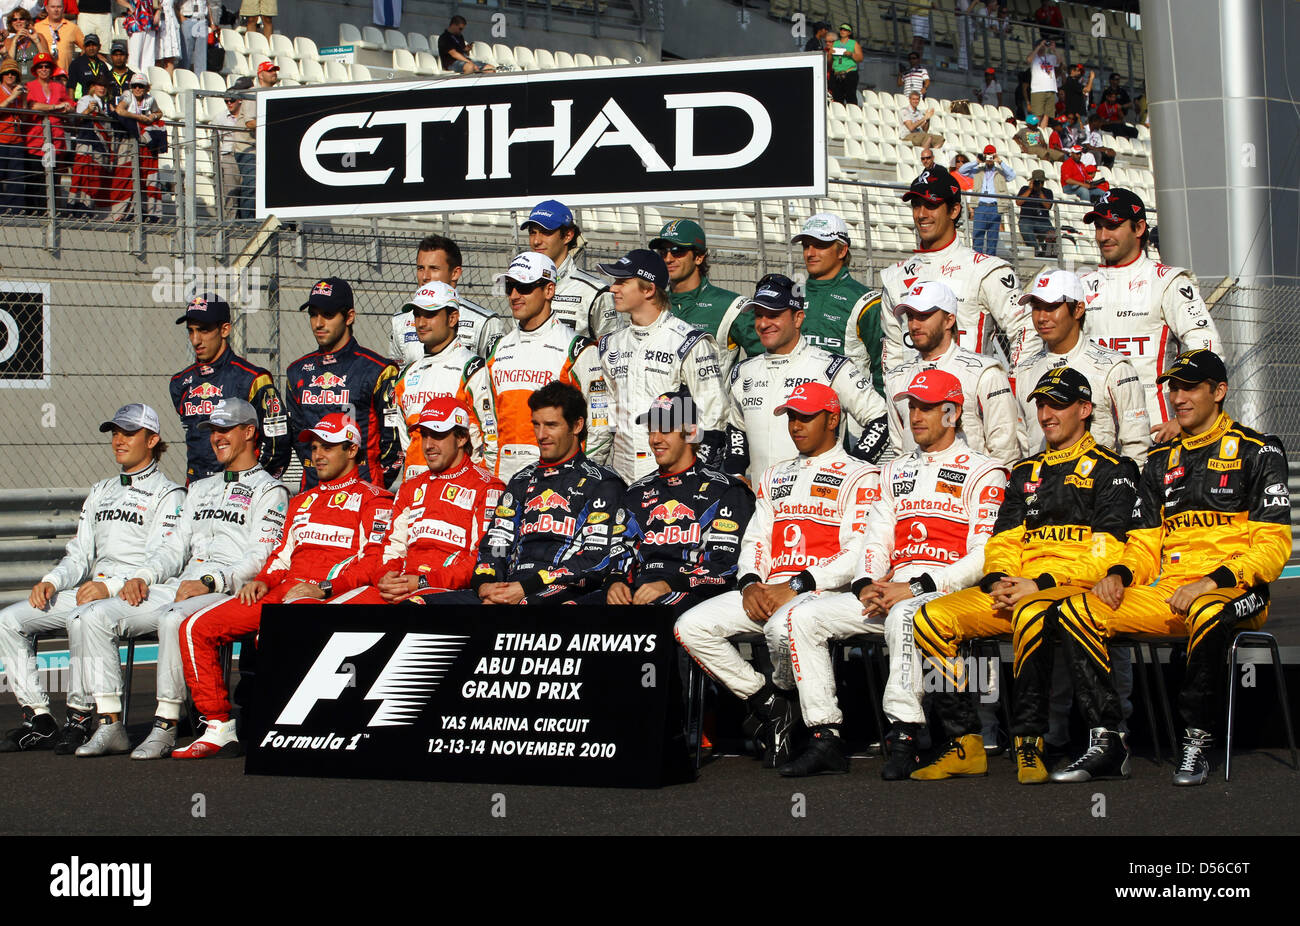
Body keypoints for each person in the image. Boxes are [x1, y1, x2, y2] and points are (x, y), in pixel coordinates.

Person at [1051, 350, 1291, 785]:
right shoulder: (1160, 462)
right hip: (1173, 589)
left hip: (1239, 589)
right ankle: (1108, 740)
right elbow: (1143, 544)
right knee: (1078, 610)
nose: (1177, 397)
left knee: (1209, 611)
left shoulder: (1259, 449)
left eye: (1189, 387)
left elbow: (1273, 546)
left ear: (1219, 392)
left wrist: (1211, 581)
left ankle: (1196, 739)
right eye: (1173, 388)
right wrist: (1119, 576)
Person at [906, 364, 1137, 782]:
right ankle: (965, 741)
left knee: (1032, 615)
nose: (1047, 414)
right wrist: (998, 580)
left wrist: (1039, 584)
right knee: (930, 618)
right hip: (1017, 586)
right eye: (1042, 404)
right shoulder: (1025, 471)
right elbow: (1002, 541)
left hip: (1066, 590)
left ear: (1085, 409)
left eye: (1059, 405)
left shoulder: (1114, 469)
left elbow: (1108, 554)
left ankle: (1029, 741)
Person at [777, 369, 1007, 777]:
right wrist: (866, 582)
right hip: (892, 586)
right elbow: (876, 539)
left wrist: (917, 585)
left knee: (905, 614)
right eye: (912, 407)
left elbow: (983, 556)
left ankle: (905, 734)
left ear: (953, 414)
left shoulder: (985, 471)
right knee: (803, 615)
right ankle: (824, 734)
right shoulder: (894, 469)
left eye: (928, 408)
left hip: (948, 591)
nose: (915, 416)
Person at [674, 382, 879, 769]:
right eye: (791, 417)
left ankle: (818, 728)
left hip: (822, 591)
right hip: (769, 588)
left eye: (806, 416)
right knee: (690, 625)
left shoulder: (862, 476)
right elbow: (755, 540)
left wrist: (797, 584)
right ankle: (768, 700)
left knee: (783, 626)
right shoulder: (773, 475)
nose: (796, 426)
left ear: (833, 418)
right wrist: (750, 582)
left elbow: (858, 554)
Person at [72, 398, 289, 757]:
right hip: (182, 585)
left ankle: (166, 723)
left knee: (174, 618)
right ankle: (109, 725)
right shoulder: (200, 488)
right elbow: (172, 548)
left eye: (225, 430)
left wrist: (210, 582)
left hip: (228, 590)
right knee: (95, 616)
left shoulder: (271, 491)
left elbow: (260, 557)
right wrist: (143, 576)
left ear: (249, 432)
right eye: (213, 431)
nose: (216, 438)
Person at [173, 413, 393, 758]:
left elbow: (374, 561)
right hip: (284, 591)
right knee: (195, 628)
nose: (317, 455)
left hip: (329, 595)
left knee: (291, 620)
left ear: (352, 450)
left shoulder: (375, 500)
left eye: (329, 447)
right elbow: (281, 556)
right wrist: (262, 581)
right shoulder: (301, 500)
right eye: (315, 447)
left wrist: (324, 586)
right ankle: (218, 726)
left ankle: (309, 726)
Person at [0, 404, 184, 754]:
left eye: (128, 433)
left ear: (153, 440)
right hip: (93, 589)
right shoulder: (101, 489)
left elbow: (165, 558)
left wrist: (110, 587)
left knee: (84, 615)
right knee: (8, 619)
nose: (118, 440)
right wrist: (52, 581)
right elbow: (79, 554)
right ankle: (39, 718)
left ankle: (81, 716)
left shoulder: (169, 494)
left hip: (136, 592)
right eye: (115, 433)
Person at [430, 381, 625, 606]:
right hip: (508, 588)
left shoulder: (603, 483)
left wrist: (526, 587)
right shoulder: (522, 479)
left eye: (551, 425)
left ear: (577, 425)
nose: (541, 435)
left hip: (561, 589)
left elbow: (595, 560)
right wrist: (486, 584)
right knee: (417, 606)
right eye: (536, 425)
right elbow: (497, 541)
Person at [326, 397, 505, 605]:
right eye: (425, 435)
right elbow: (391, 548)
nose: (428, 445)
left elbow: (485, 560)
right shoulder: (411, 486)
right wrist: (386, 577)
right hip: (402, 587)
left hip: (447, 591)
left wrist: (422, 582)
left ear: (462, 437)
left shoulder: (488, 487)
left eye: (438, 435)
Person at [1078, 188, 1222, 444]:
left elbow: (1207, 348)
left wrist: (1186, 419)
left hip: (1156, 432)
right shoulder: (1082, 284)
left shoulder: (1168, 281)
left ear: (1139, 227)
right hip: (1096, 436)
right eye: (1099, 227)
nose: (1103, 236)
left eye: (1112, 225)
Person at [723, 273, 889, 482]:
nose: (763, 324)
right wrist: (735, 475)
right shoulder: (743, 372)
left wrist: (852, 471)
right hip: (761, 505)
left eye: (773, 315)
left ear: (798, 318)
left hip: (816, 506)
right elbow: (736, 428)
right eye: (758, 315)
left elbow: (881, 419)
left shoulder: (831, 366)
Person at [601, 387, 754, 611]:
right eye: (652, 431)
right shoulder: (635, 492)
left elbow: (725, 566)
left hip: (694, 593)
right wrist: (616, 581)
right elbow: (622, 548)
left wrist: (669, 584)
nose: (655, 439)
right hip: (639, 592)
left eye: (665, 430)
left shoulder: (725, 490)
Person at [879, 168, 1039, 373]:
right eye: (916, 205)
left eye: (931, 205)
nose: (921, 214)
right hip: (915, 400)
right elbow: (893, 352)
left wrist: (1014, 385)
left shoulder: (985, 269)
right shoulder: (894, 277)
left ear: (954, 210)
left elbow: (1025, 328)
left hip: (970, 399)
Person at [595, 248, 727, 483]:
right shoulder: (610, 345)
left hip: (672, 473)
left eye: (622, 282)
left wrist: (697, 476)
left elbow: (713, 413)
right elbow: (605, 417)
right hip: (621, 474)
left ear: (648, 289)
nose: (613, 288)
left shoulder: (688, 341)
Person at [484, 251, 612, 481]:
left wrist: (582, 477)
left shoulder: (578, 349)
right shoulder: (497, 350)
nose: (514, 295)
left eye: (523, 287)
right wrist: (491, 478)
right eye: (509, 287)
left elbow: (599, 426)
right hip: (504, 479)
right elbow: (489, 426)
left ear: (549, 290)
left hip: (560, 479)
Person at [1014, 269, 1148, 462]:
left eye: (1051, 307)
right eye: (1036, 307)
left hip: (1099, 488)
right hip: (1043, 487)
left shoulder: (1113, 367)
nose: (1041, 317)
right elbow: (1023, 443)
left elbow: (1137, 446)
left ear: (1078, 309)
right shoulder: (1025, 371)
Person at [884, 280, 1023, 465]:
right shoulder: (896, 378)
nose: (914, 325)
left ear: (949, 320)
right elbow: (900, 450)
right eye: (910, 316)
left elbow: (1005, 453)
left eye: (923, 316)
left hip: (970, 489)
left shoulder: (984, 373)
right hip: (915, 488)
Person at [284, 277, 402, 490]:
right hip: (313, 489)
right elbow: (298, 438)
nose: (318, 323)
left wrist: (372, 485)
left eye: (328, 315)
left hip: (362, 492)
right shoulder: (297, 371)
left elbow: (393, 441)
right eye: (313, 314)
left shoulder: (379, 370)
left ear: (349, 317)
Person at [170, 293, 290, 483]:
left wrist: (257, 483)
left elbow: (278, 443)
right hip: (196, 490)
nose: (195, 340)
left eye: (203, 330)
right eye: (191, 331)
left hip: (241, 491)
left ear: (224, 330)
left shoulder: (254, 378)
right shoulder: (180, 382)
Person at [391, 281, 497, 480]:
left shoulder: (472, 369)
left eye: (430, 315)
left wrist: (478, 484)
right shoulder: (407, 375)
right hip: (415, 489)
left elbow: (491, 439)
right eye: (417, 314)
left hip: (459, 491)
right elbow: (406, 443)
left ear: (452, 318)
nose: (421, 323)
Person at [790, 211, 886, 394]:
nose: (810, 253)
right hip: (793, 407)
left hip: (846, 413)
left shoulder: (865, 301)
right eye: (806, 246)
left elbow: (883, 369)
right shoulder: (791, 294)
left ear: (842, 250)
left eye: (819, 245)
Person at [650, 218, 754, 372]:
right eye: (663, 252)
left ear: (699, 257)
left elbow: (766, 361)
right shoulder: (651, 304)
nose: (668, 258)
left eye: (678, 251)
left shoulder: (732, 306)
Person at [391, 234, 510, 366]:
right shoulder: (400, 321)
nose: (425, 276)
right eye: (420, 268)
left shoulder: (483, 322)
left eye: (434, 268)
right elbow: (397, 375)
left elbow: (497, 373)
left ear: (455, 273)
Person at [520, 199, 621, 340]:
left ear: (568, 235)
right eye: (532, 232)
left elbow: (612, 352)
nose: (536, 241)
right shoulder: (520, 287)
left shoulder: (595, 292)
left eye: (545, 232)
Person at [108, 70, 162, 220]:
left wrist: (153, 116)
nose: (138, 89)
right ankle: (124, 211)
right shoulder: (127, 95)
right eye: (135, 86)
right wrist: (139, 117)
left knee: (145, 174)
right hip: (127, 139)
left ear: (146, 88)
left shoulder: (150, 99)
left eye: (141, 86)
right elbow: (120, 110)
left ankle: (145, 210)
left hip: (143, 142)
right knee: (126, 173)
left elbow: (159, 112)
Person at [958, 144, 1015, 256]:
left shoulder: (1000, 171)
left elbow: (1012, 176)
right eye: (987, 155)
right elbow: (962, 171)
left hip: (995, 207)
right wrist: (977, 161)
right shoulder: (978, 170)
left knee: (992, 239)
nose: (989, 158)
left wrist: (1000, 161)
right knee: (977, 237)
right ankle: (977, 261)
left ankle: (990, 263)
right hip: (981, 206)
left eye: (991, 155)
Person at [69, 72, 113, 211]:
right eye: (99, 85)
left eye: (104, 85)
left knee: (95, 176)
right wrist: (89, 110)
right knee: (80, 174)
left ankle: (87, 207)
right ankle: (73, 205)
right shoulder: (85, 99)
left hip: (100, 145)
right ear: (93, 87)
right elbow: (78, 119)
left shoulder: (108, 105)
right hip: (86, 141)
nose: (102, 88)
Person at [0, 56, 31, 214]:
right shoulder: (2, 91)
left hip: (16, 139)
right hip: (2, 139)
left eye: (13, 73)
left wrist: (23, 99)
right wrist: (12, 97)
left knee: (16, 177)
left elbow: (24, 117)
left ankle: (16, 210)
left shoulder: (18, 92)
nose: (10, 76)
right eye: (7, 73)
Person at [34, 0, 85, 72]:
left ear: (63, 8)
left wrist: (78, 64)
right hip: (44, 74)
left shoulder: (72, 27)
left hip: (65, 76)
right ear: (47, 8)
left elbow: (86, 47)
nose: (56, 10)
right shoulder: (37, 27)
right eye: (52, 7)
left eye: (59, 7)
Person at [1016, 169, 1056, 257]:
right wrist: (1030, 190)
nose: (1039, 184)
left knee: (1053, 233)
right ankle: (1036, 251)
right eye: (1037, 182)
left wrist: (1039, 192)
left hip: (1043, 221)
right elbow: (1018, 202)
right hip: (1027, 219)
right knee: (1026, 229)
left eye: (1041, 182)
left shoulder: (1047, 192)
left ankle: (1050, 253)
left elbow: (1048, 206)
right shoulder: (1025, 189)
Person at [1027, 38, 1059, 126]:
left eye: (1044, 46)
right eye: (1042, 46)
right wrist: (1039, 46)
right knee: (1037, 115)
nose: (1043, 47)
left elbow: (1060, 61)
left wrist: (1054, 50)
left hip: (1051, 88)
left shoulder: (1050, 57)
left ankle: (1042, 134)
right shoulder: (1034, 57)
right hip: (1038, 89)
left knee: (1047, 115)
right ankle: (1034, 134)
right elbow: (1029, 59)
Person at [175, 0, 212, 77]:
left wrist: (211, 22)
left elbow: (208, 4)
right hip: (188, 18)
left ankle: (200, 79)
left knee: (201, 54)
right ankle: (183, 78)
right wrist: (181, 17)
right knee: (186, 52)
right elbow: (174, 4)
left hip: (202, 19)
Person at [827, 23, 861, 104]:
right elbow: (829, 61)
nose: (842, 31)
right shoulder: (835, 43)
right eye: (841, 29)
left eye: (845, 30)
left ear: (849, 32)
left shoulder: (853, 43)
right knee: (837, 98)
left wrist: (851, 54)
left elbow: (860, 58)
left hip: (849, 72)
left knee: (850, 97)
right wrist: (830, 53)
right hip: (837, 74)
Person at [67, 31, 108, 99]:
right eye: (88, 45)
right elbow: (71, 87)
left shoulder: (103, 65)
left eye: (94, 45)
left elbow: (107, 87)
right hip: (81, 102)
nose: (91, 48)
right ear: (84, 47)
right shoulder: (76, 64)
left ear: (99, 47)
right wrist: (72, 105)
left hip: (100, 103)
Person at [122, 0, 157, 74]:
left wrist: (158, 12)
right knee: (134, 56)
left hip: (150, 21)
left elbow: (157, 3)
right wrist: (129, 6)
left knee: (149, 57)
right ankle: (134, 80)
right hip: (136, 22)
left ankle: (146, 80)